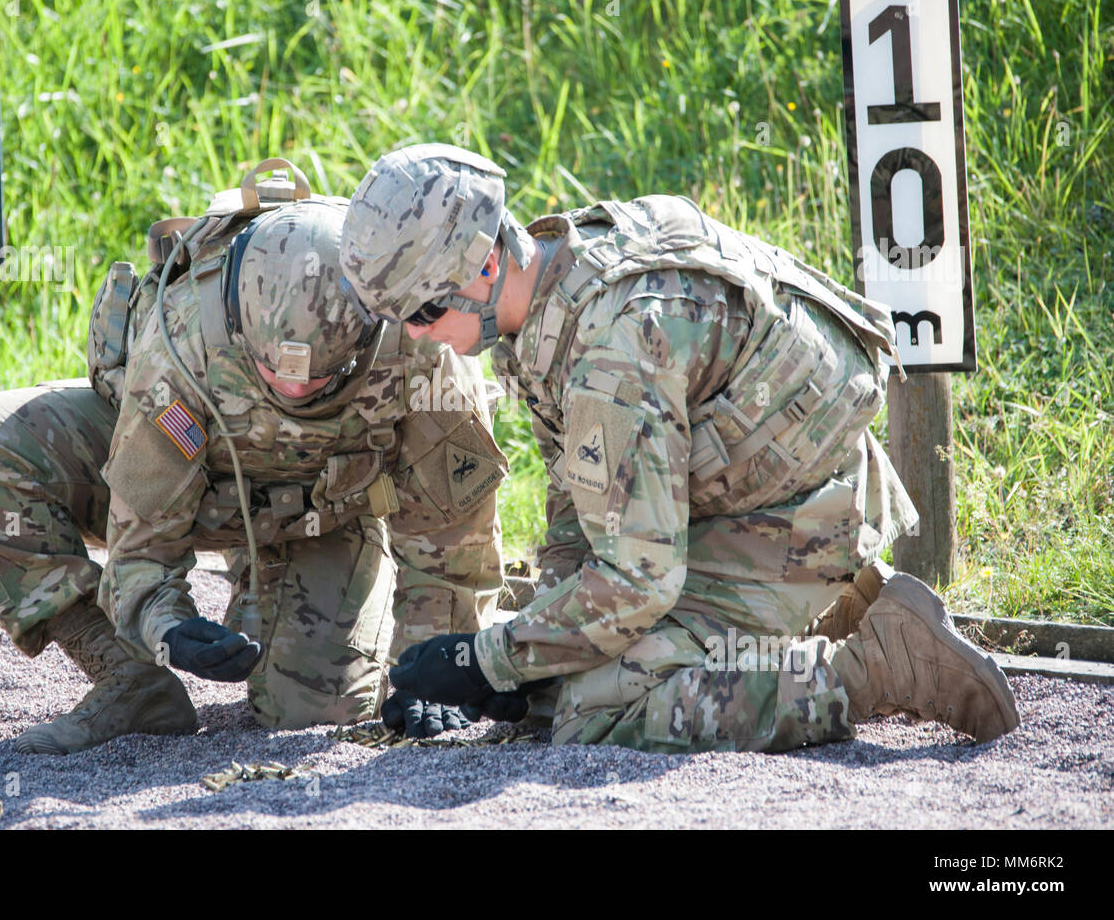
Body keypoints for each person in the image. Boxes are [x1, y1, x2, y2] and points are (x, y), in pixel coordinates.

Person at [337, 143, 1020, 753]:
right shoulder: (556, 281)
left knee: (596, 708)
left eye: (425, 311)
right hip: (746, 498)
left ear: (485, 263)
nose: (419, 335)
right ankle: (835, 605)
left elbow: (639, 580)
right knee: (550, 690)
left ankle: (874, 666)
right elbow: (580, 500)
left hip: (798, 517)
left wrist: (487, 658)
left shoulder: (612, 352)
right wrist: (527, 664)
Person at [0, 179, 507, 754]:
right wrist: (168, 630)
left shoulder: (421, 338)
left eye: (321, 379)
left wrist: (442, 662)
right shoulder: (181, 338)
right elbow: (141, 544)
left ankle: (505, 621)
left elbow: (453, 543)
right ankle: (129, 681)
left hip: (327, 514)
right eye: (274, 373)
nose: (295, 389)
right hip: (196, 491)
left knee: (313, 714)